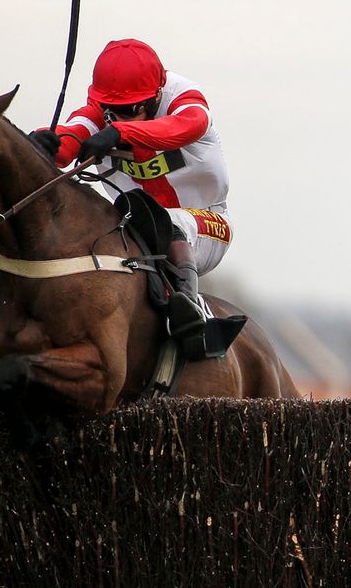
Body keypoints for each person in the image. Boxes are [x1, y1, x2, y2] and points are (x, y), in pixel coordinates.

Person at [30, 38, 240, 360]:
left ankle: (190, 312)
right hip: (128, 234)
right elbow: (69, 137)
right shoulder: (102, 113)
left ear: (156, 96)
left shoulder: (185, 100)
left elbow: (188, 125)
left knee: (167, 219)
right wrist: (42, 144)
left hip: (204, 225)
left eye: (129, 111)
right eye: (110, 112)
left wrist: (121, 134)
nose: (117, 118)